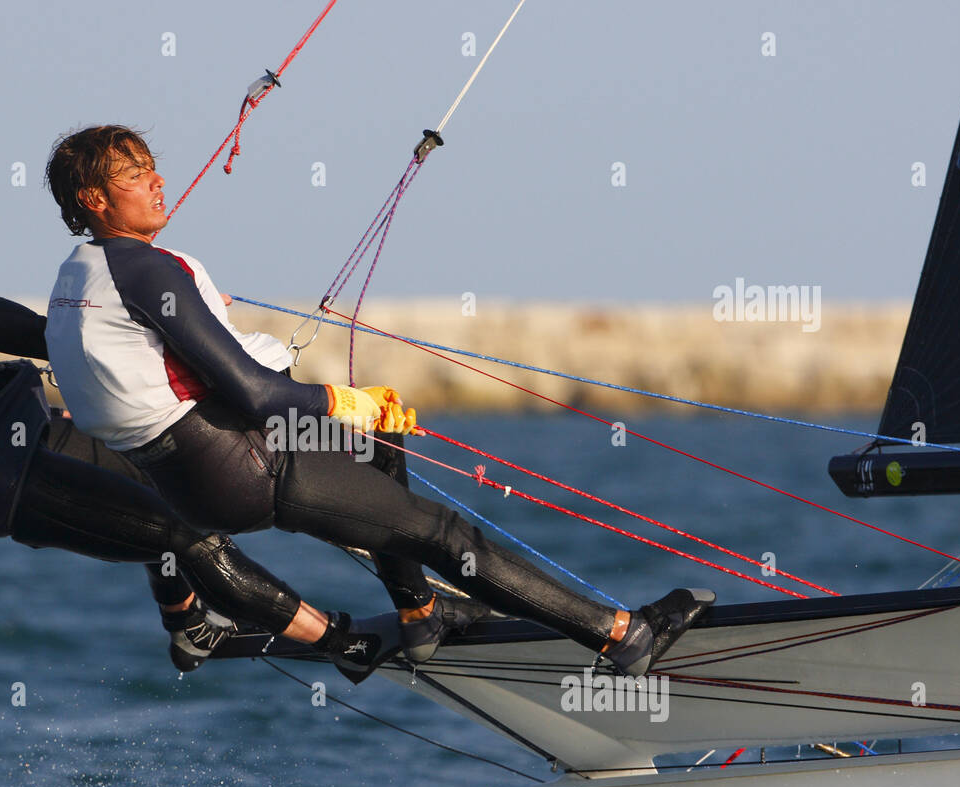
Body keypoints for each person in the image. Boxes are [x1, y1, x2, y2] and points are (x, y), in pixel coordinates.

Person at [42, 125, 715, 677]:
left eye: (154, 166)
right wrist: (338, 399)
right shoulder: (147, 269)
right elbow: (252, 392)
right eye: (134, 175)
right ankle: (622, 636)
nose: (158, 181)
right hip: (243, 464)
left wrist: (356, 415)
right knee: (444, 532)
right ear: (95, 199)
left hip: (192, 475)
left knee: (380, 439)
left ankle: (421, 616)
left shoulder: (79, 271)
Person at [0, 127, 387, 679]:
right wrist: (168, 314)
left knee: (161, 466)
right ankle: (345, 643)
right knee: (184, 535)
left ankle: (187, 624)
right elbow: (43, 335)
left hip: (4, 436)